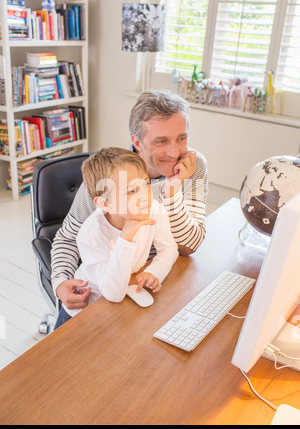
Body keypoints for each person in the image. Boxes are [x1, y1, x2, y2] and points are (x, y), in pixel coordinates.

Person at [51, 89, 208, 313]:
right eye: (161, 141)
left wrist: (173, 193)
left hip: (149, 281)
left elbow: (189, 245)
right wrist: (59, 283)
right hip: (100, 288)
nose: (174, 152)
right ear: (137, 142)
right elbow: (67, 239)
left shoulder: (193, 167)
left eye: (181, 138)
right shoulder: (108, 182)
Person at [55, 147, 178, 328]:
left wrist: (155, 272)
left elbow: (169, 249)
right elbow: (112, 293)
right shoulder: (91, 233)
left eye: (145, 184)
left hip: (123, 298)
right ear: (106, 203)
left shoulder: (154, 210)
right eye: (131, 191)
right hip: (88, 307)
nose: (144, 196)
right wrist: (126, 237)